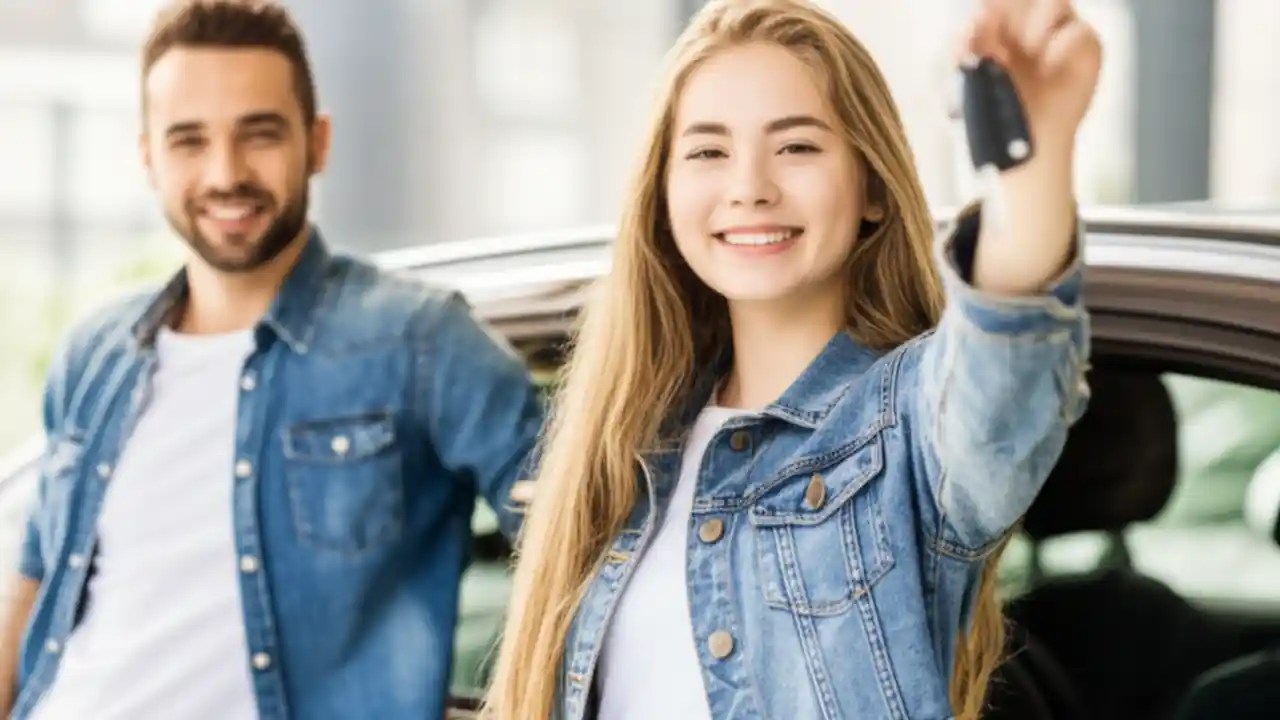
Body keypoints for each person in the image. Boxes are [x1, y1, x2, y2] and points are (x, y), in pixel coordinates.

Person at [485, 0, 1099, 718]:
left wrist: (1032, 158)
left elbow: (1008, 353)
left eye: (797, 146)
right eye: (708, 151)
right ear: (664, 194)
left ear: (871, 188)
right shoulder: (622, 443)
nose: (750, 186)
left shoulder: (906, 428)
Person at [0, 1, 542, 718]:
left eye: (259, 135)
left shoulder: (419, 340)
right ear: (148, 158)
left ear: (317, 143)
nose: (226, 173)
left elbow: (589, 545)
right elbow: (31, 586)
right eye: (189, 140)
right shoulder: (95, 351)